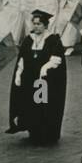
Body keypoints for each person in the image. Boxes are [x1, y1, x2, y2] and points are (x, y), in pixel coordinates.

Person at [9, 8, 67, 144]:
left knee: (43, 106)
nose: (36, 26)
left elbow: (56, 59)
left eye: (39, 24)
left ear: (45, 25)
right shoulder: (28, 40)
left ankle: (46, 133)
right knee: (29, 105)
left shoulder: (53, 40)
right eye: (34, 23)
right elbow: (22, 59)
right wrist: (18, 74)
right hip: (29, 80)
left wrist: (45, 68)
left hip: (44, 83)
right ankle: (33, 131)